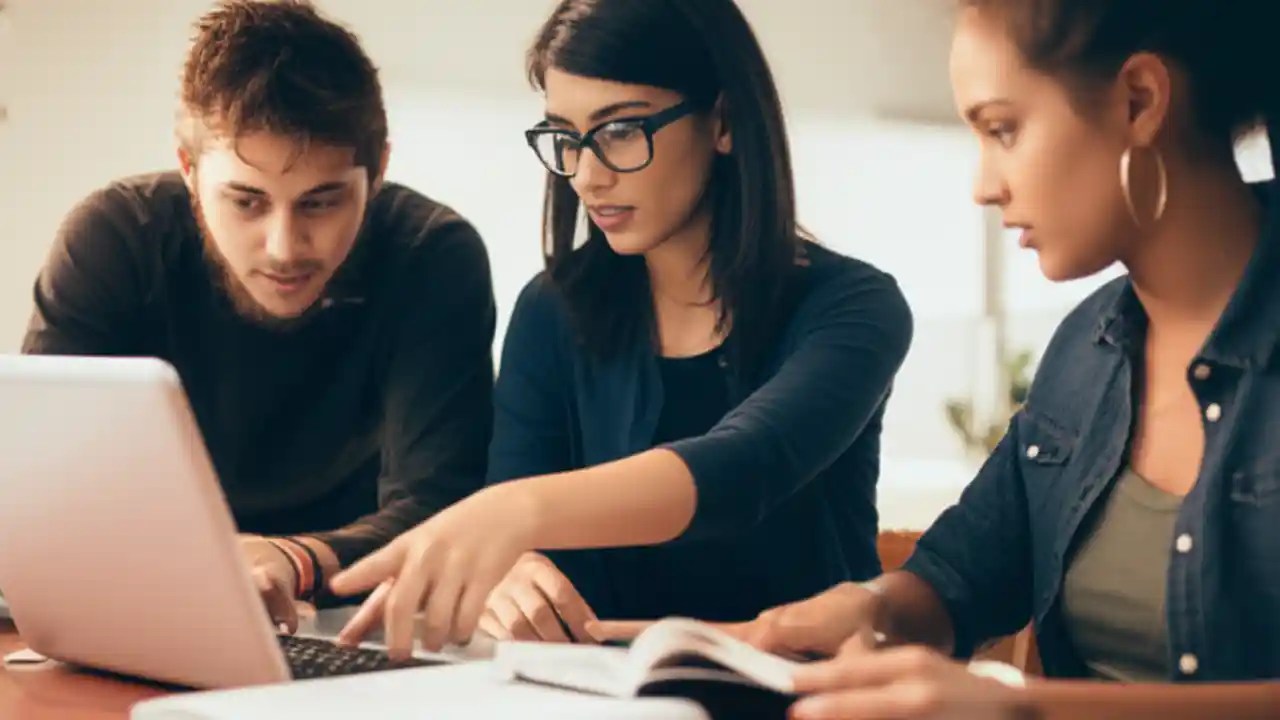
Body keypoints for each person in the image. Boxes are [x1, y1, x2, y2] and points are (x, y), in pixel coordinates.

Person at [598, 1, 1280, 718]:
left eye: (1003, 130)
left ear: (1139, 100)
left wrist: (1022, 710)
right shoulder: (1090, 350)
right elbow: (959, 576)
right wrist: (874, 611)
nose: (983, 185)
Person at [329, 0, 912, 651]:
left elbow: (744, 470)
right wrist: (513, 572)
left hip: (806, 693)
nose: (586, 174)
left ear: (724, 121)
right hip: (594, 695)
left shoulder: (853, 307)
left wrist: (511, 515)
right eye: (567, 137)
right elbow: (519, 528)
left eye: (620, 131)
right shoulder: (551, 311)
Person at [22, 0, 495, 631]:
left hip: (350, 618)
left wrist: (290, 560)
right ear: (190, 171)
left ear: (377, 171)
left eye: (321, 202)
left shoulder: (433, 255)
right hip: (147, 604)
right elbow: (43, 477)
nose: (285, 246)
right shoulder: (116, 237)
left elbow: (440, 505)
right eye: (247, 202)